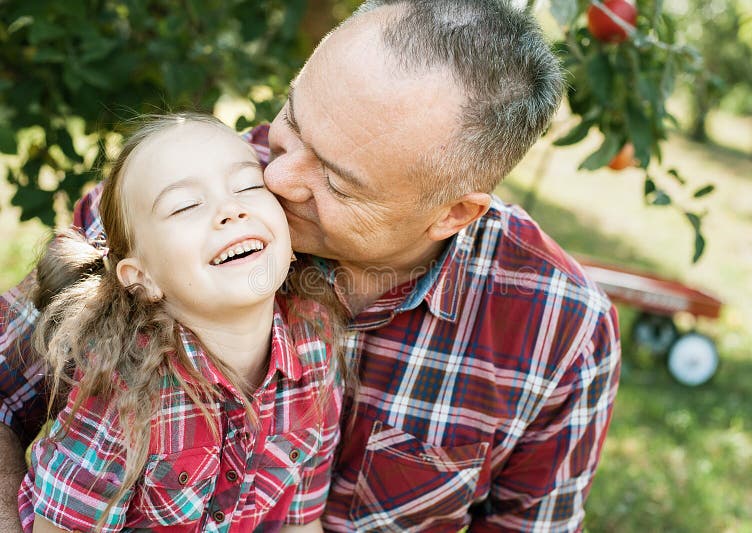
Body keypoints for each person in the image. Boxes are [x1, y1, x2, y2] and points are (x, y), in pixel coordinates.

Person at [1, 1, 621, 531]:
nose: (274, 177)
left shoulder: (560, 333)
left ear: (453, 213)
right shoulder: (174, 205)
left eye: (337, 181)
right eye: (293, 120)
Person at [15, 113, 341, 533]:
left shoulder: (315, 350)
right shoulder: (122, 392)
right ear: (142, 278)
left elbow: (301, 520)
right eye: (185, 205)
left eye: (248, 185)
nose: (230, 210)